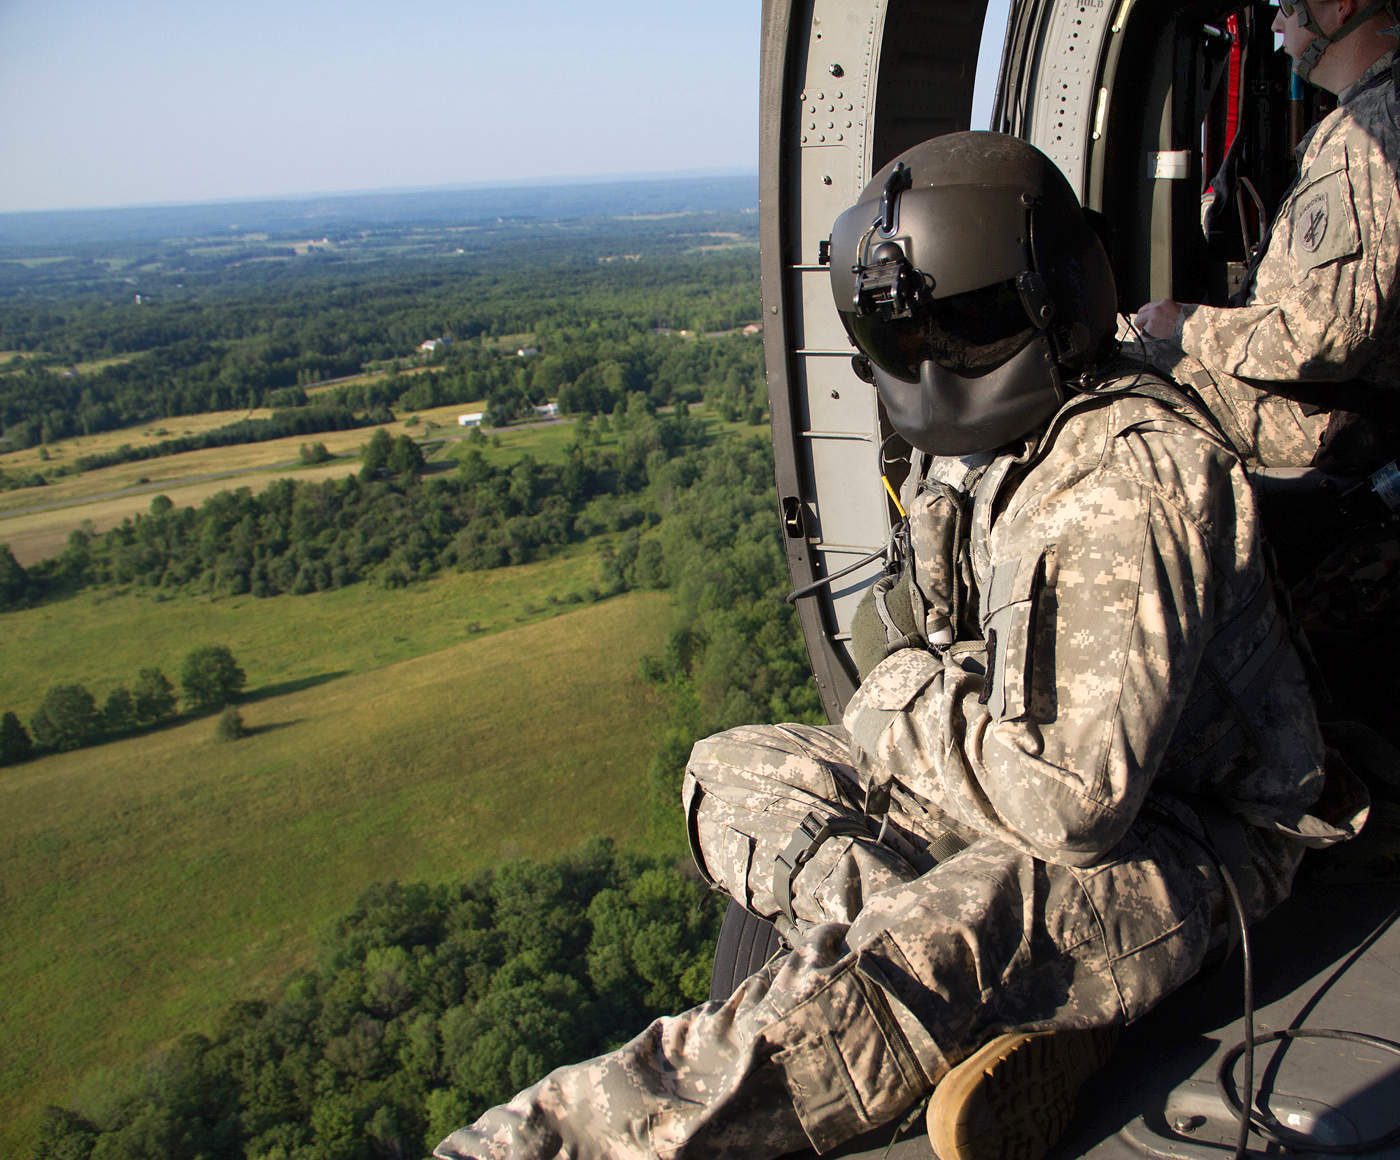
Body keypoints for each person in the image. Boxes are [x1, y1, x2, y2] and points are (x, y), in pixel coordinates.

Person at [434, 133, 1363, 1160]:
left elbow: (1068, 804)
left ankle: (545, 1141)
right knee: (733, 777)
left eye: (943, 331)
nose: (920, 362)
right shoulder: (1002, 436)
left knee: (953, 931)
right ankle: (1003, 1007)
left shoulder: (1120, 480)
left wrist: (895, 684)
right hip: (1009, 761)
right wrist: (914, 706)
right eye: (900, 338)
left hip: (1195, 834)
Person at [1134, 0, 1400, 469]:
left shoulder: (1370, 133)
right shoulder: (1360, 119)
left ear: (1343, 7)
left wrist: (1185, 325)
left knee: (1120, 383)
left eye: (1289, 5)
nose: (1277, 21)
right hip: (1318, 398)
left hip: (1324, 417)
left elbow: (1329, 337)